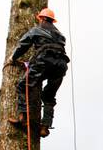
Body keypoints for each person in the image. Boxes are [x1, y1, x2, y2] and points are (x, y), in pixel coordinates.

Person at [6, 8, 69, 138]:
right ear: (52, 21)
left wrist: (13, 58)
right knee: (48, 96)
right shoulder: (61, 36)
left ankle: (23, 117)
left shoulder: (37, 30)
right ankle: (45, 127)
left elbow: (24, 44)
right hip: (61, 66)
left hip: (44, 62)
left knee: (24, 85)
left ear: (40, 18)